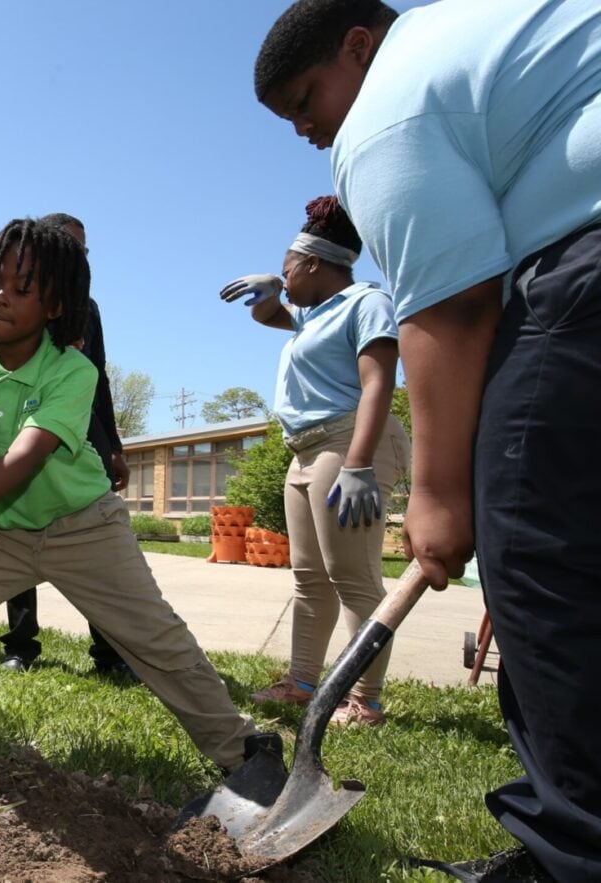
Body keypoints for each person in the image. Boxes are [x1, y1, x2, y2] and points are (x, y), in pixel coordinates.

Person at [254, 0, 601, 878]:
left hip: (584, 270)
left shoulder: (386, 112)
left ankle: (574, 854)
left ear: (359, 47)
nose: (306, 129)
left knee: (540, 561)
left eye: (306, 100)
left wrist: (441, 496)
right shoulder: (477, 38)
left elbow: (450, 305)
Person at [0, 218, 276, 780]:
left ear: (56, 306)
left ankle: (239, 750)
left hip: (85, 527)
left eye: (21, 288)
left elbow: (27, 456)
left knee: (155, 637)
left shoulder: (72, 370)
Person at [220, 196, 408, 727]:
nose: (283, 280)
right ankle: (303, 683)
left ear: (312, 264)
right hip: (304, 449)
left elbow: (379, 385)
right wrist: (269, 290)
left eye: (286, 271)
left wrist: (359, 464)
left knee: (353, 577)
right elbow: (268, 315)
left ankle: (363, 701)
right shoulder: (311, 314)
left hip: (348, 442)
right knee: (309, 577)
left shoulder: (367, 303)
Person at [0, 213, 134, 678]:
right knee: (13, 534)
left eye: (82, 251)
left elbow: (97, 379)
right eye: (66, 246)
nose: (76, 256)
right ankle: (20, 645)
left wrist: (113, 445)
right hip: (11, 436)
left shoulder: (89, 310)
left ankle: (110, 653)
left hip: (77, 434)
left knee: (93, 551)